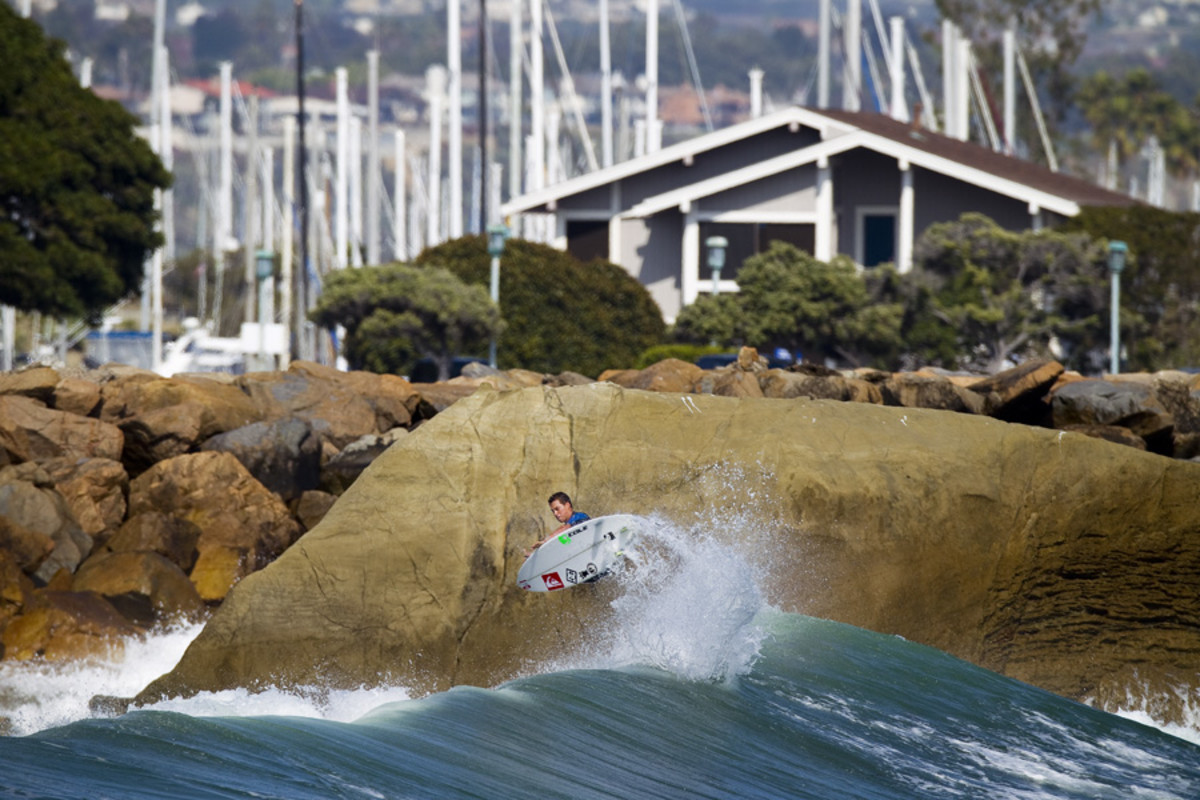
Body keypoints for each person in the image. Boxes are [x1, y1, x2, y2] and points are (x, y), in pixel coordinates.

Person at [525, 492, 589, 557]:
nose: (555, 513)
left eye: (557, 509)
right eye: (553, 511)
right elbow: (558, 548)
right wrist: (535, 557)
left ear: (567, 505)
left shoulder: (581, 517)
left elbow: (566, 527)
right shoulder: (564, 535)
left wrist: (545, 541)